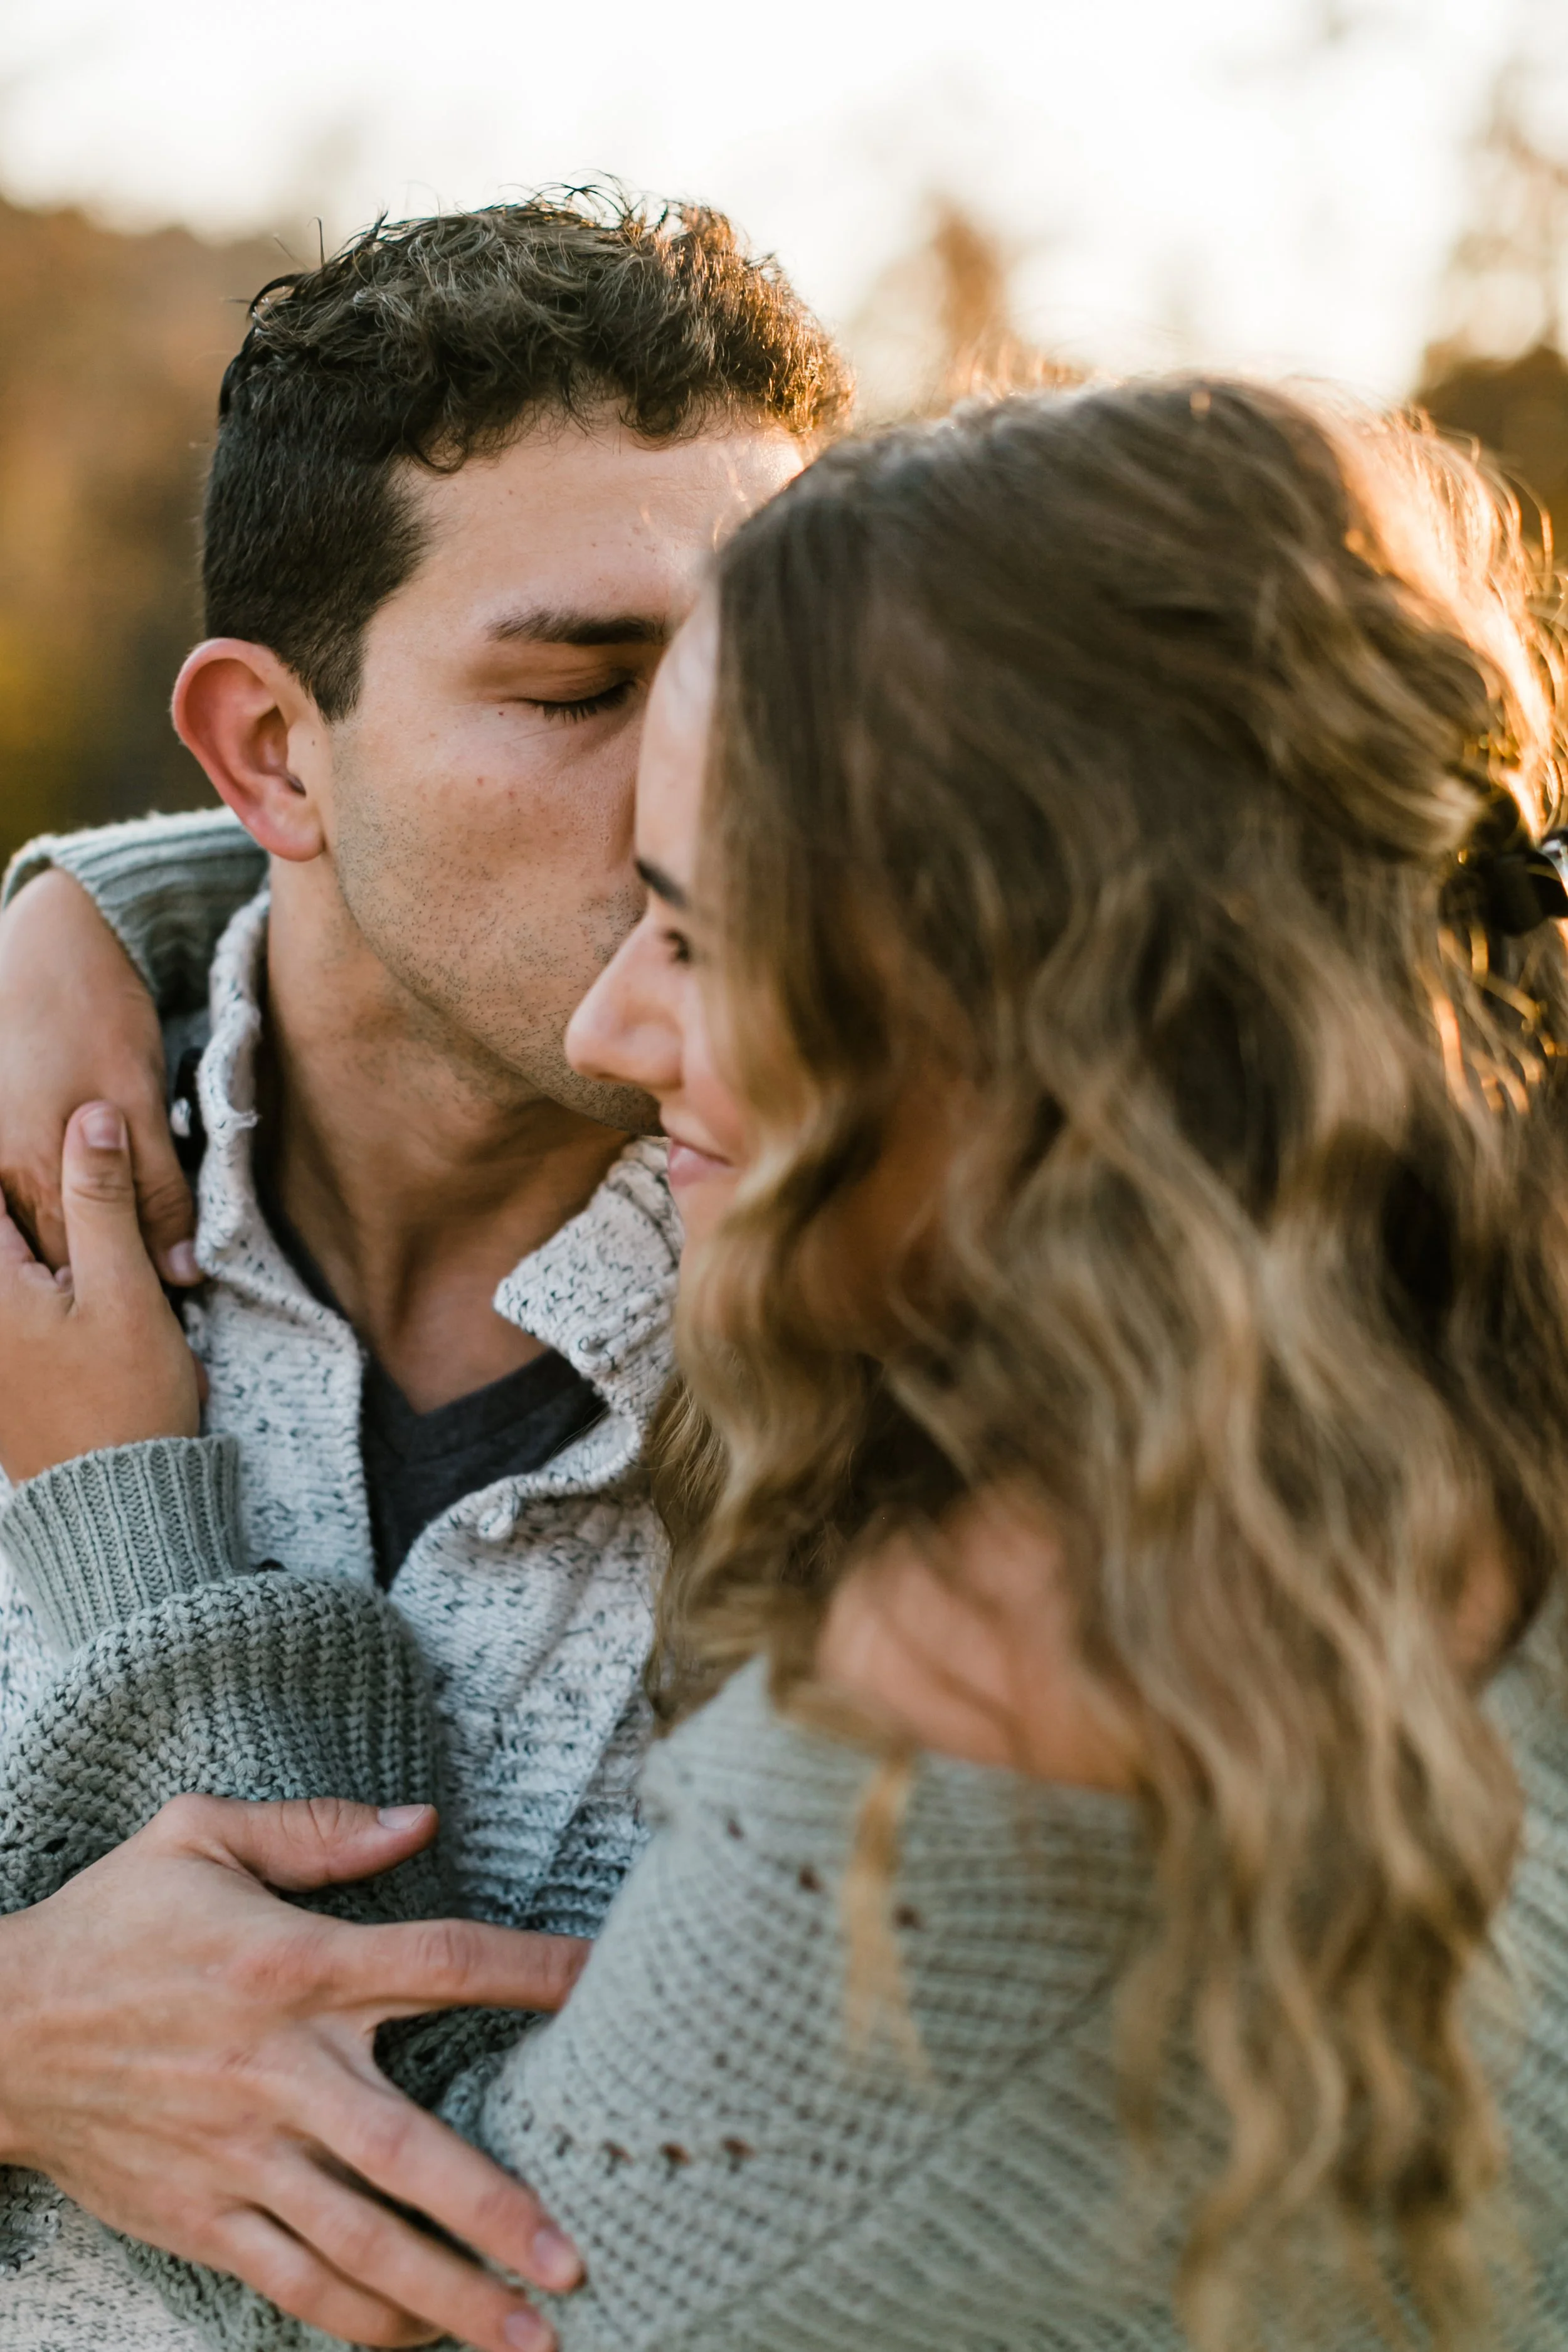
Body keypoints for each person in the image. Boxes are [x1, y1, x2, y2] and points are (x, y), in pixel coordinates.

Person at [4, 376, 1568, 2351]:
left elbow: (427, 2282)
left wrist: (124, 1520)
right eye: (582, 691)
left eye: (693, 920)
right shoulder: (1432, 1373)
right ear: (273, 758)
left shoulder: (950, 1642)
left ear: (997, 979)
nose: (612, 1015)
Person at [0, 188, 849, 2352]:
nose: (714, 787)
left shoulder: (920, 1363)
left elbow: (561, 2279)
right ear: (271, 752)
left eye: (771, 679)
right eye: (587, 685)